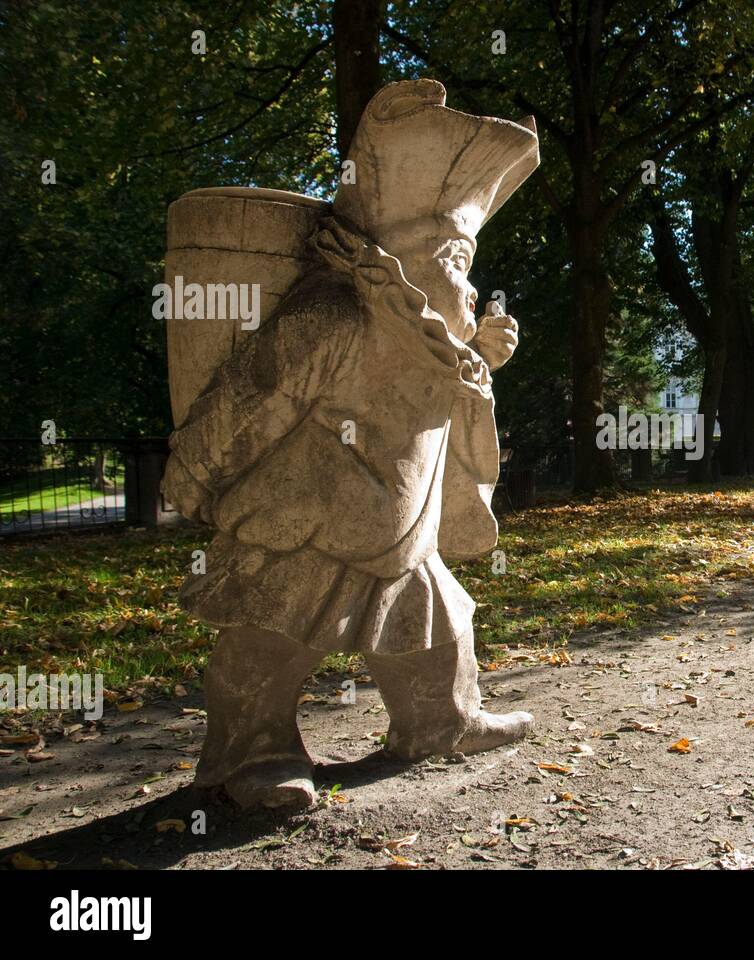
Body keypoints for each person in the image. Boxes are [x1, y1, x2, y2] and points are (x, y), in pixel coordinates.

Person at [160, 80, 540, 808]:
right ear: (406, 263)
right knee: (278, 626)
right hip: (310, 516)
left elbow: (453, 418)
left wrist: (482, 366)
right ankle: (253, 750)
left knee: (436, 622)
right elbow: (251, 397)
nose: (470, 291)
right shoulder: (334, 317)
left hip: (403, 523)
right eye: (457, 268)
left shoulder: (438, 345)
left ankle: (440, 720)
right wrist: (196, 469)